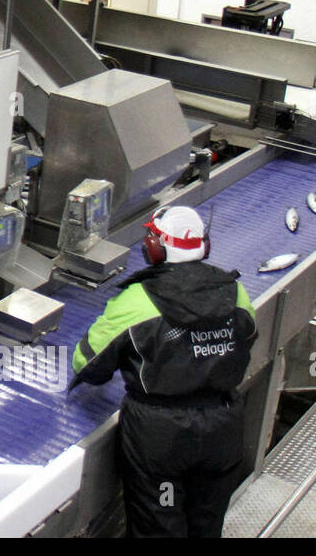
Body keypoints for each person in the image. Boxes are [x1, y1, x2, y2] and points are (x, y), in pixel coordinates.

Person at [71, 205, 257, 537]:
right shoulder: (235, 292)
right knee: (206, 523)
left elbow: (88, 363)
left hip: (161, 438)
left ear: (156, 249)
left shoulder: (139, 299)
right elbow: (248, 337)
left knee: (160, 525)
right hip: (223, 427)